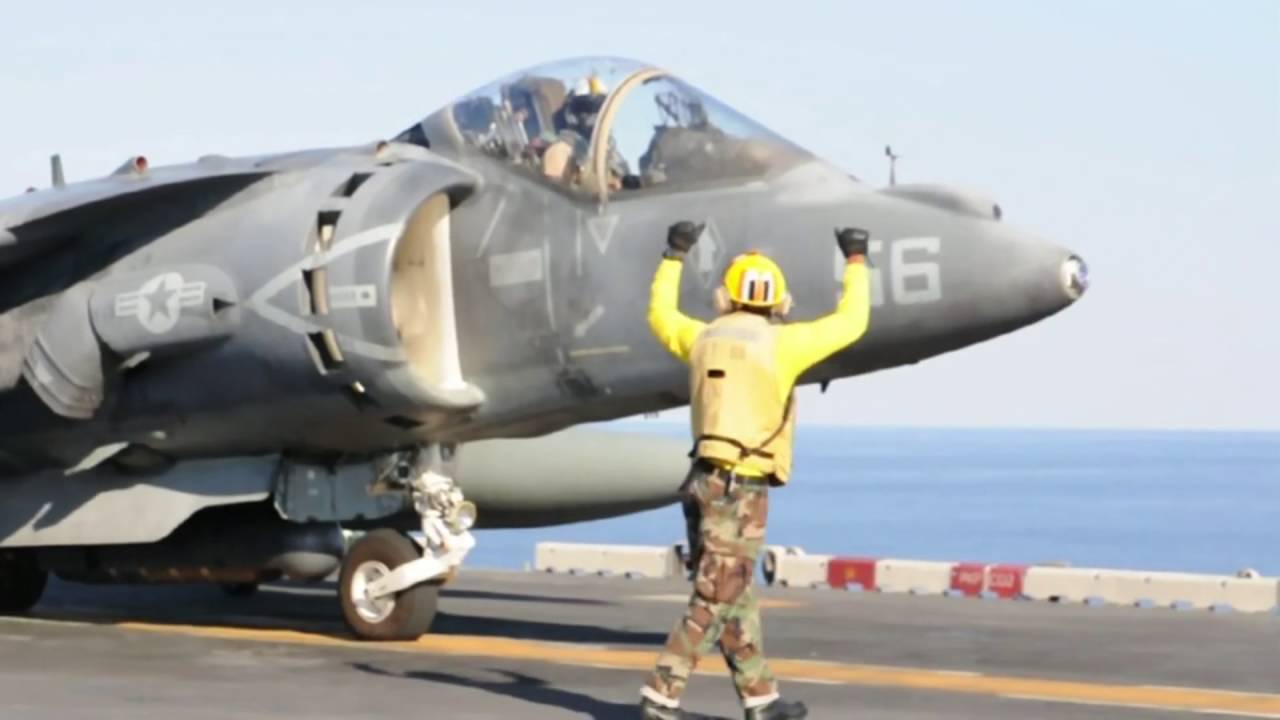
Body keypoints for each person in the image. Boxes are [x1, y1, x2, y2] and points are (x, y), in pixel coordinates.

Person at [639, 221, 872, 720]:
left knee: (735, 594)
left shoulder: (701, 337)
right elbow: (852, 322)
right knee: (715, 595)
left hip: (701, 480)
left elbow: (660, 314)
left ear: (725, 298)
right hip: (741, 488)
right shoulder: (783, 343)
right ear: (779, 301)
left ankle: (760, 699)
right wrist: (855, 259)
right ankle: (660, 697)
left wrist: (674, 255)